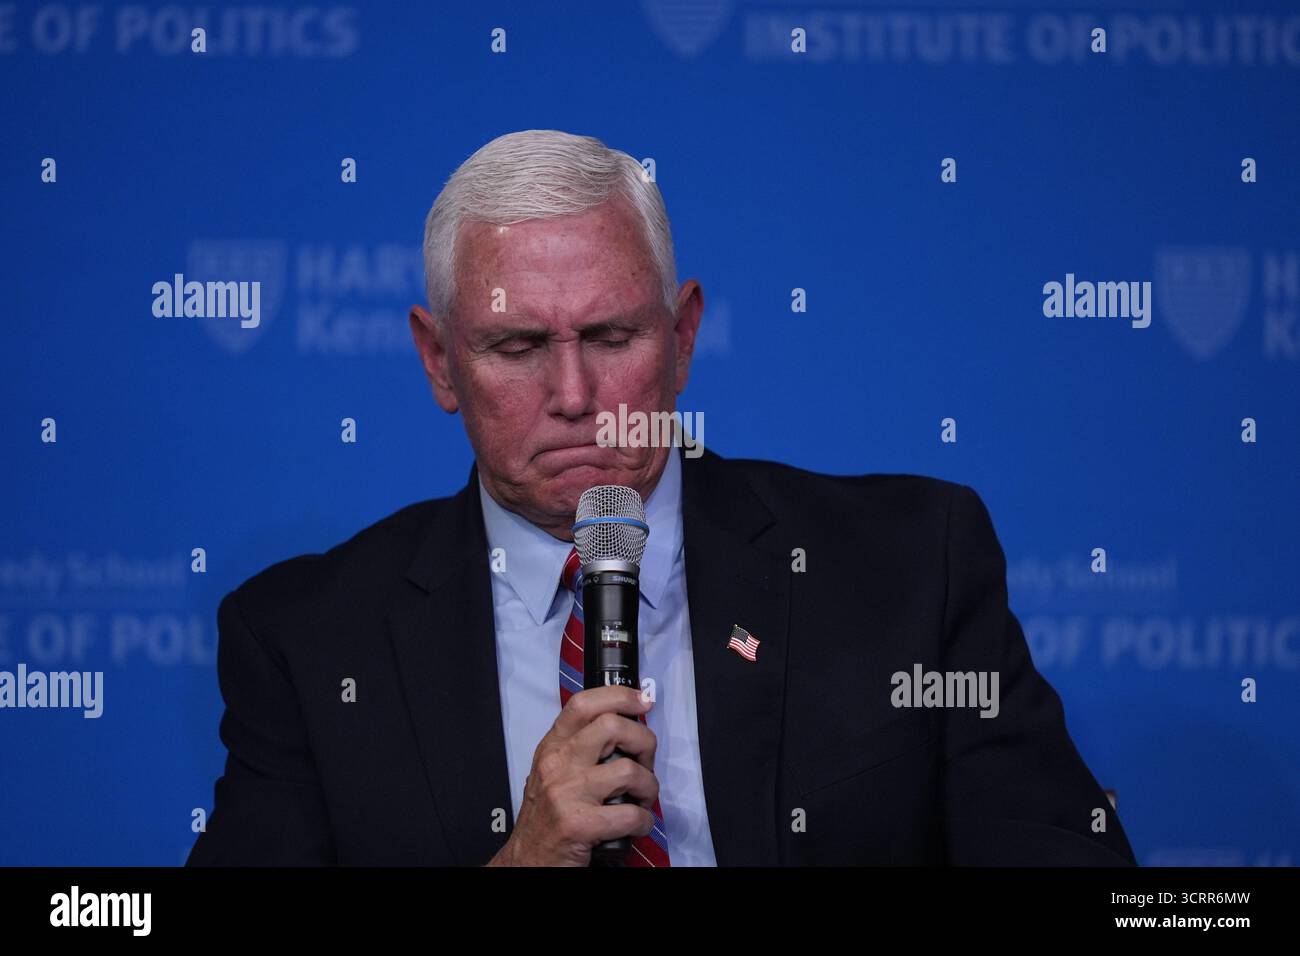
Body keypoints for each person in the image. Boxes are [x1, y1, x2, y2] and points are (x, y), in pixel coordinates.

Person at [187, 129, 1136, 867]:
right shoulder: (307, 644)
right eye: (516, 348)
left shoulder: (907, 569)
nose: (573, 396)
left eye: (610, 336)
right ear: (439, 362)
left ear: (682, 337)